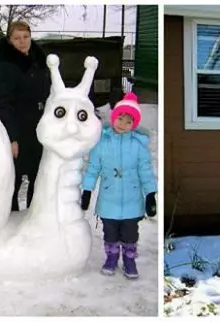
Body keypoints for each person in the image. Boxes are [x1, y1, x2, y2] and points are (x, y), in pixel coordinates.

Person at [80, 92, 157, 279]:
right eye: (120, 118)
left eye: (128, 121)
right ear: (114, 118)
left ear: (134, 125)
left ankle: (129, 260)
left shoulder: (139, 146)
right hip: (108, 200)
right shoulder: (102, 144)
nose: (123, 124)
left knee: (130, 233)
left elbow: (145, 171)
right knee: (110, 232)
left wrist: (150, 195)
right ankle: (112, 258)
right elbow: (93, 169)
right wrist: (87, 191)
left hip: (132, 200)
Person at [0, 21, 51, 211]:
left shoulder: (40, 62)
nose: (22, 41)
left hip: (40, 129)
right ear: (9, 40)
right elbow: (2, 104)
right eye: (16, 38)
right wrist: (12, 137)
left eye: (25, 36)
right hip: (19, 129)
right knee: (14, 179)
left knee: (39, 178)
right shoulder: (7, 66)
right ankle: (10, 219)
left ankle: (34, 220)